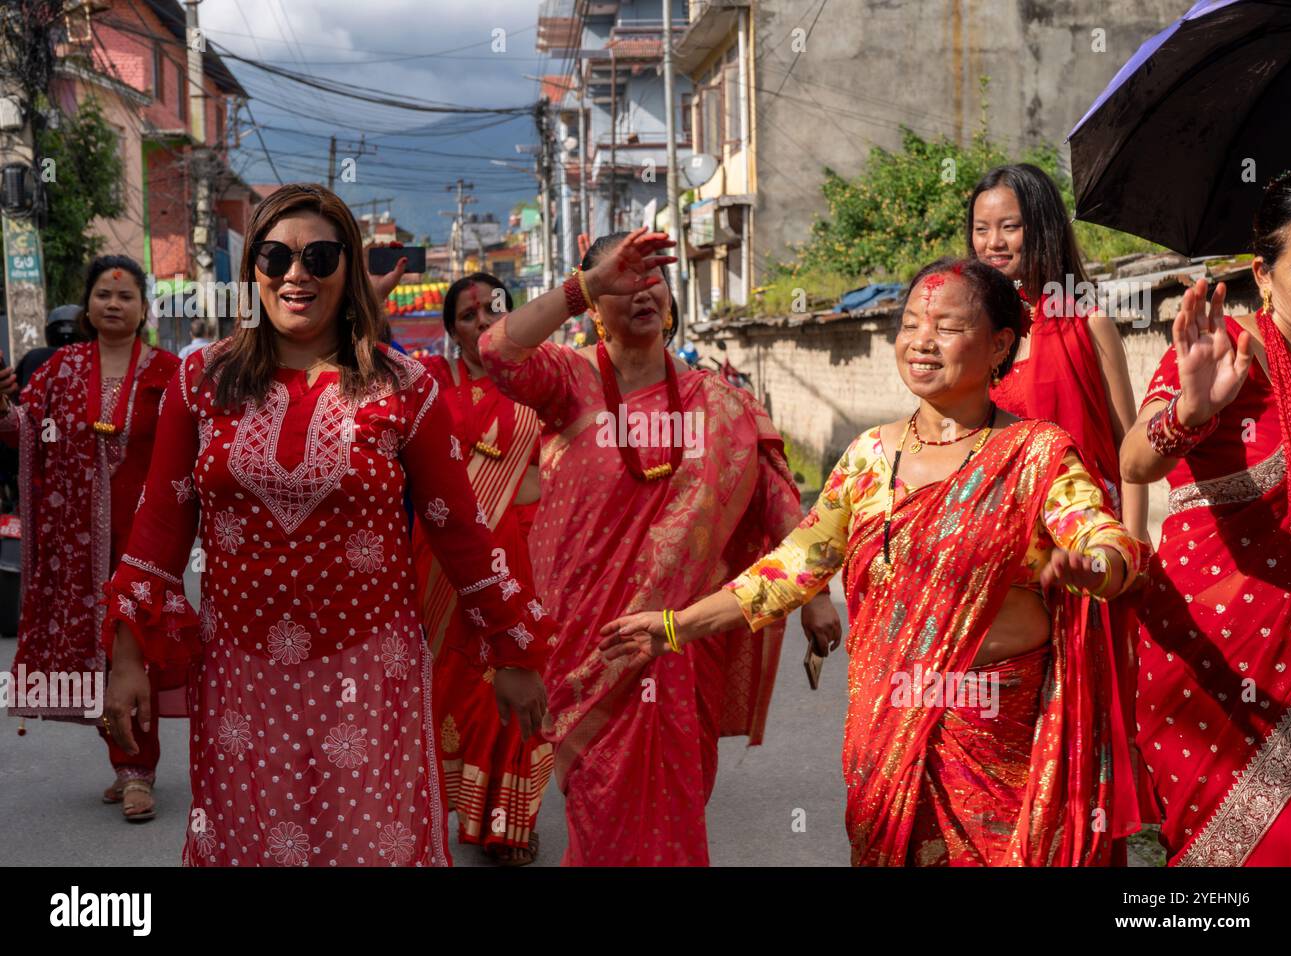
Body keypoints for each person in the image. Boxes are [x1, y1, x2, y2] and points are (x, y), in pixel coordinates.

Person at [602, 257, 1147, 866]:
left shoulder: (1036, 453)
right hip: (886, 732)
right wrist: (676, 626)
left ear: (999, 345)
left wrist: (1092, 567)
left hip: (999, 743)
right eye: (911, 322)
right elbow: (791, 570)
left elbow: (1108, 539)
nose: (921, 341)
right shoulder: (867, 457)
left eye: (946, 326)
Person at [98, 183, 552, 866]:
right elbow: (160, 525)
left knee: (366, 847)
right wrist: (127, 656)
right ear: (251, 269)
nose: (295, 274)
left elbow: (458, 530)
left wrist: (513, 652)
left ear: (349, 267)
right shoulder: (203, 381)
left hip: (371, 673)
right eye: (275, 257)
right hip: (240, 678)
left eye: (319, 255)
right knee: (250, 847)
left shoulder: (404, 387)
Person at [479, 228, 839, 865]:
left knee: (675, 807)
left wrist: (812, 597)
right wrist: (582, 282)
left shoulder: (723, 403)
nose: (643, 291)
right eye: (623, 281)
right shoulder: (569, 381)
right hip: (588, 644)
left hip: (677, 641)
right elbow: (497, 349)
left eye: (654, 279)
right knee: (600, 812)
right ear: (593, 305)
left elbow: (783, 509)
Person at [968, 164, 1154, 842]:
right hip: (998, 570)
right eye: (982, 228)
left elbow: (1133, 450)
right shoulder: (972, 339)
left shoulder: (1087, 322)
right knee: (1003, 734)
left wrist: (1129, 553)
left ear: (1040, 228)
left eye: (1009, 226)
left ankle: (1076, 847)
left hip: (1083, 564)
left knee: (1078, 733)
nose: (994, 241)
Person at [1119, 172, 1291, 866]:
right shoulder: (1225, 348)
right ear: (1262, 272)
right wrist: (1189, 415)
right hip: (1215, 654)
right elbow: (1135, 461)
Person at [0, 256, 180, 821]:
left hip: (147, 538)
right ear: (87, 307)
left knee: (138, 650)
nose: (113, 304)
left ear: (144, 309)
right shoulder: (59, 370)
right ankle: (127, 764)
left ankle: (138, 771)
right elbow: (21, 432)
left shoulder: (169, 372)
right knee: (104, 658)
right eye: (103, 294)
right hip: (78, 542)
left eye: (125, 297)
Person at [412, 271, 552, 865]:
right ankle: (463, 810)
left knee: (516, 677)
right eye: (468, 317)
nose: (483, 325)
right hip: (443, 562)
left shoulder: (547, 385)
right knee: (456, 689)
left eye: (494, 312)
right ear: (451, 331)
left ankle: (510, 823)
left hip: (522, 553)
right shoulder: (426, 386)